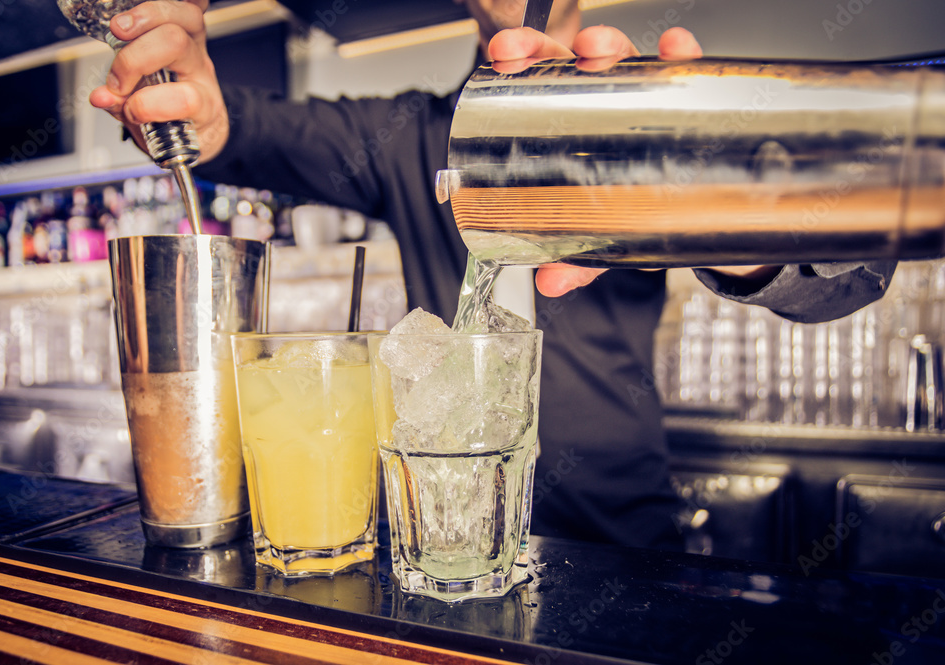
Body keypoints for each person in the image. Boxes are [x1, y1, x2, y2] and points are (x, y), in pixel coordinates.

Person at [90, 0, 895, 551]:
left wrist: (739, 228)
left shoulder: (644, 117)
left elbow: (853, 275)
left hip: (622, 534)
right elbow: (253, 130)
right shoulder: (404, 134)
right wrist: (197, 110)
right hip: (443, 536)